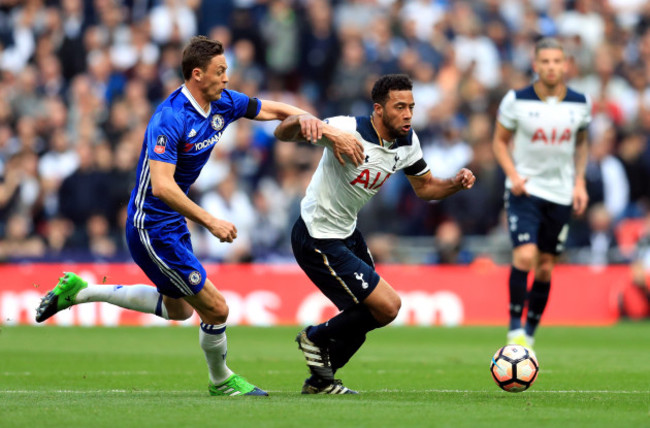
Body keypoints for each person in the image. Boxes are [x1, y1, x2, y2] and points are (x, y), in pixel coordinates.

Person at [34, 36, 364, 397]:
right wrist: (211, 220)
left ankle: (81, 292)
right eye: (220, 71)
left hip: (171, 223)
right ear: (196, 75)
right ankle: (221, 380)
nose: (227, 77)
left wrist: (323, 128)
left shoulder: (223, 101)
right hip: (150, 227)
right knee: (216, 309)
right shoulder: (170, 118)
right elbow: (161, 186)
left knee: (177, 310)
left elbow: (276, 111)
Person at [274, 74, 476, 394]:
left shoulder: (407, 142)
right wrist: (312, 125)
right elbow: (282, 131)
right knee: (387, 306)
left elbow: (425, 187)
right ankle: (314, 337)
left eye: (411, 106)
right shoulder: (347, 129)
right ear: (379, 110)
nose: (408, 114)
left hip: (348, 233)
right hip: (316, 236)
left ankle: (319, 382)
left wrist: (454, 182)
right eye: (400, 107)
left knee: (373, 312)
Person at [492, 38, 591, 350]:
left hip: (561, 192)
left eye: (556, 62)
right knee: (524, 255)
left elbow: (582, 143)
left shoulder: (579, 103)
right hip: (526, 190)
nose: (551, 67)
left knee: (546, 265)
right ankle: (513, 329)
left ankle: (530, 332)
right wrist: (513, 175)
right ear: (535, 65)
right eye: (545, 61)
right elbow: (499, 141)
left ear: (565, 65)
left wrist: (579, 183)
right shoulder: (516, 100)